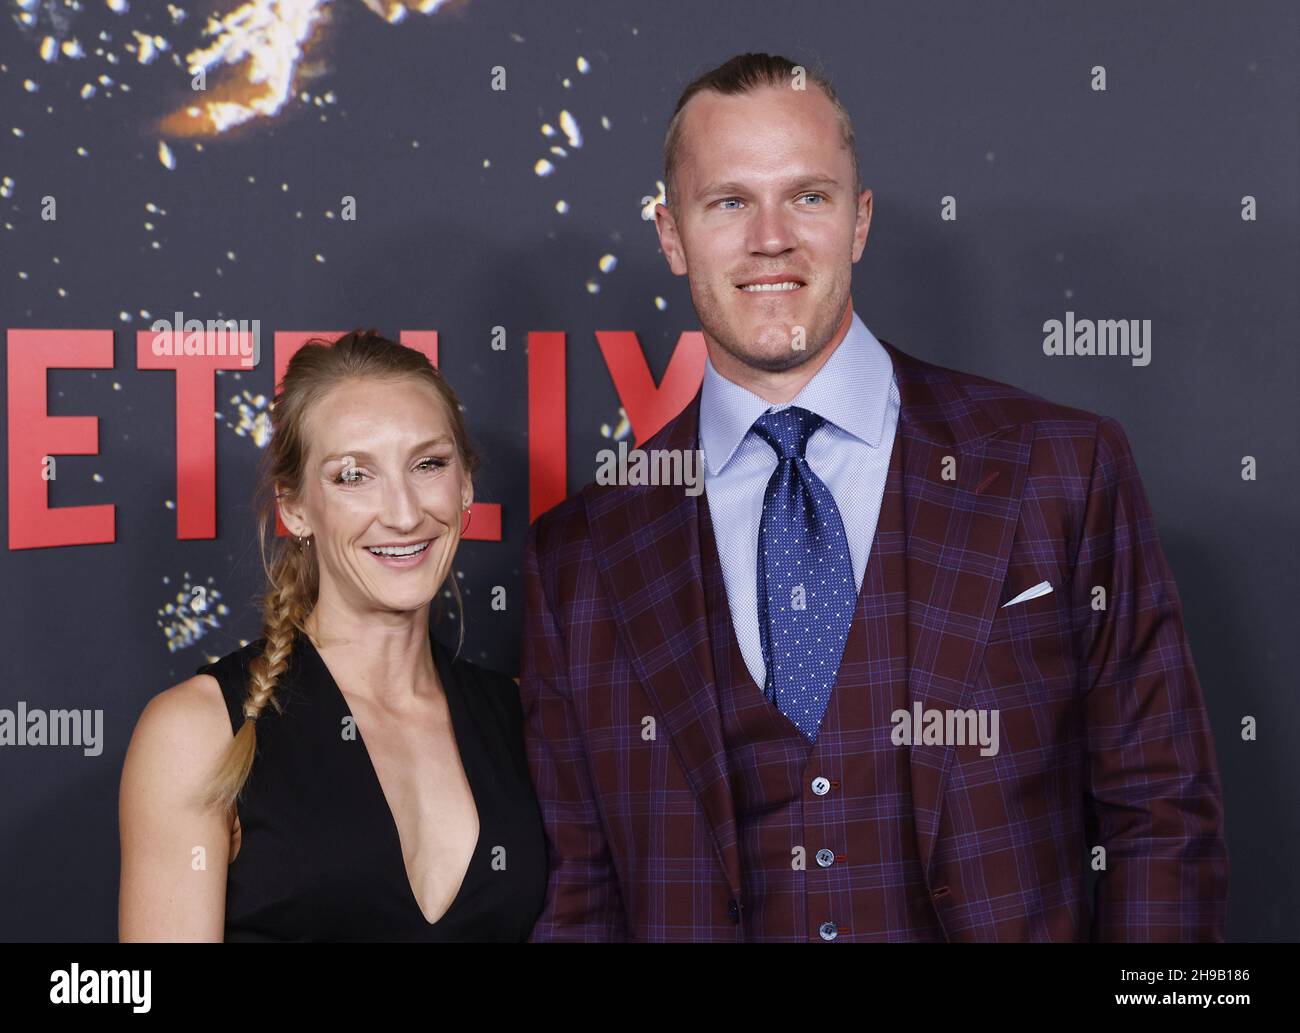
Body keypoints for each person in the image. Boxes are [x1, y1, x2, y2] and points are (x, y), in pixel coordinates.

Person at [518, 53, 1228, 941]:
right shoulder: (581, 555)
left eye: (808, 197)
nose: (770, 238)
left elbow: (1162, 816)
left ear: (858, 221)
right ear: (671, 235)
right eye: (729, 202)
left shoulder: (1058, 466)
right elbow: (583, 898)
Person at [119, 329, 546, 941]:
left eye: (428, 465)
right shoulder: (198, 732)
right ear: (294, 509)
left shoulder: (524, 717)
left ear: (466, 486)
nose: (404, 513)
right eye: (353, 476)